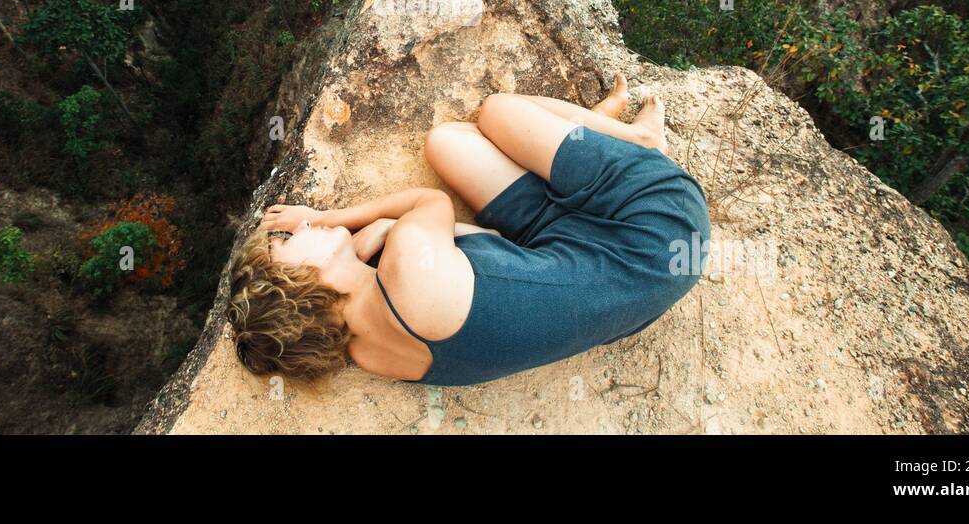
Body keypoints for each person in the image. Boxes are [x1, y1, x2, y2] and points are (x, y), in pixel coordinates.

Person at [227, 75, 710, 386]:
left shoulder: (370, 353)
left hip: (594, 273)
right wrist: (352, 223)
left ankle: (585, 141)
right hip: (659, 230)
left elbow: (493, 253)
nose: (301, 226)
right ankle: (639, 140)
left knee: (447, 145)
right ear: (298, 280)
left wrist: (380, 241)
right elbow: (428, 202)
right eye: (285, 243)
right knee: (496, 111)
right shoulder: (407, 263)